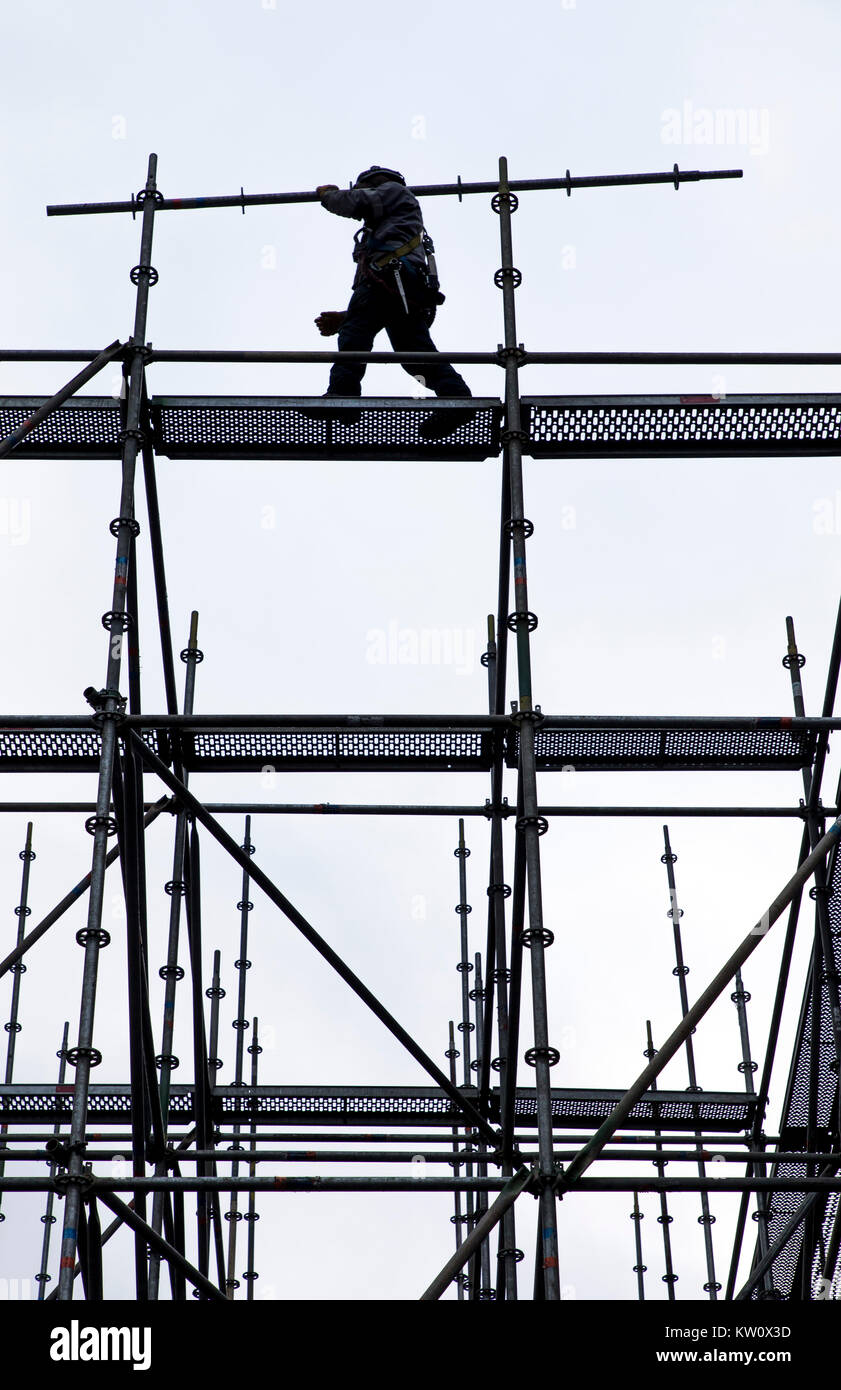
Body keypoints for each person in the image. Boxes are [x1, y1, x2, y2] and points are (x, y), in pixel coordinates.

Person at [310, 166, 475, 440]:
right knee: (415, 353)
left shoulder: (391, 191)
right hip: (401, 286)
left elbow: (353, 202)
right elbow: (373, 309)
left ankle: (343, 398)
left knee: (354, 339)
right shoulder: (393, 218)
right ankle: (456, 399)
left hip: (388, 277)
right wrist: (347, 316)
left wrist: (328, 195)